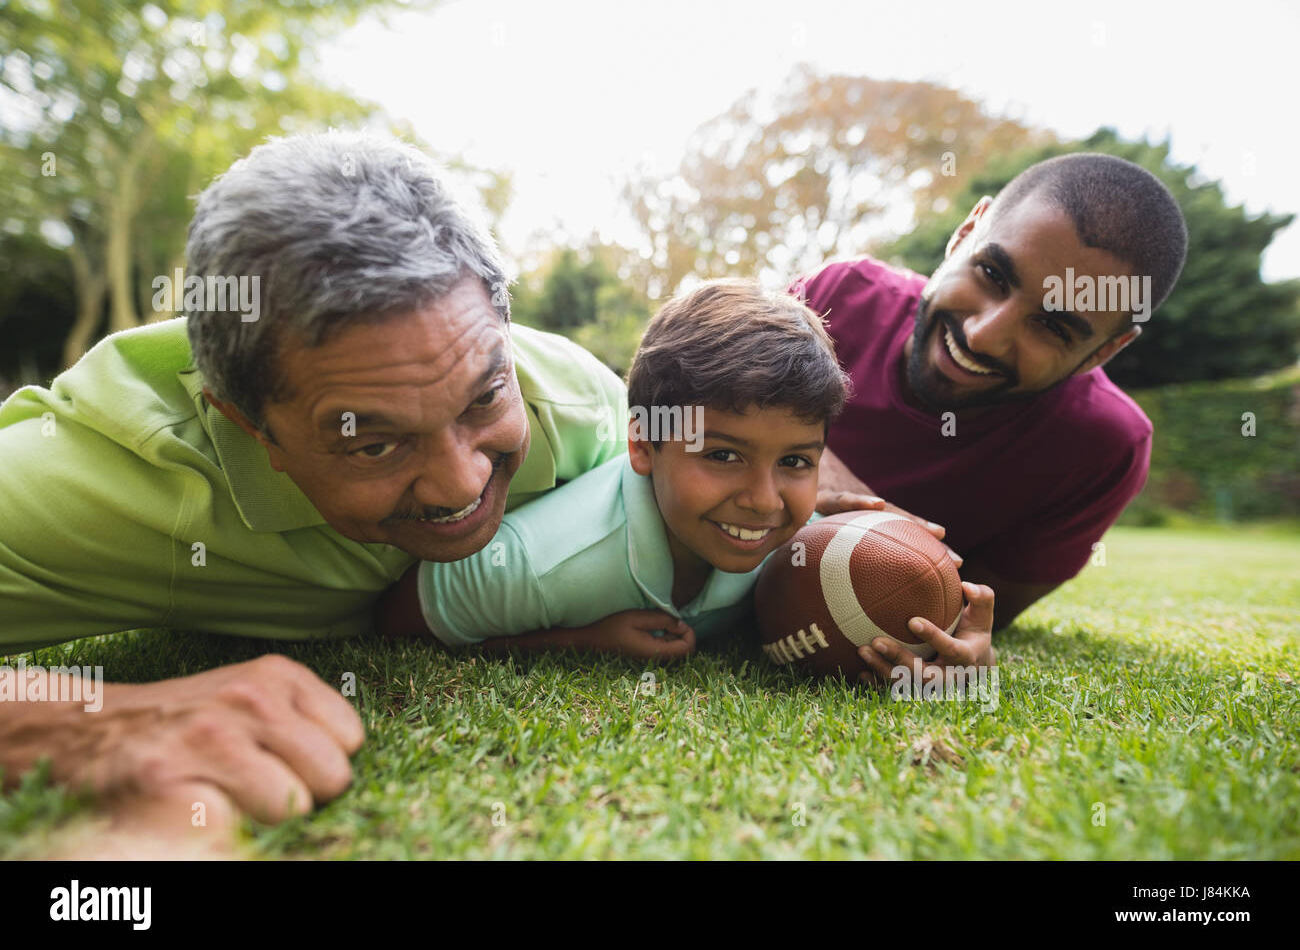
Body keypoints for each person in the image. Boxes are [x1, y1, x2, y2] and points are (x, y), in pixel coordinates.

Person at [0, 132, 629, 828]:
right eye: (374, 445)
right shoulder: (94, 475)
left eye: (483, 400)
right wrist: (91, 723)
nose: (460, 485)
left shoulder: (583, 414)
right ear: (246, 426)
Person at [375, 279, 998, 665]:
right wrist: (576, 641)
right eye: (723, 455)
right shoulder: (540, 564)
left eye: (795, 461)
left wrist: (943, 633)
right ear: (643, 445)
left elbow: (890, 609)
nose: (762, 501)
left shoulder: (807, 541)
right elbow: (396, 623)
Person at [792, 153, 1188, 684]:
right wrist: (808, 465)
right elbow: (683, 416)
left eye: (1052, 326)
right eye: (993, 274)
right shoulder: (838, 298)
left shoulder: (1104, 446)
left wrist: (953, 642)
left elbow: (969, 615)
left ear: (1104, 352)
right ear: (965, 233)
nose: (983, 334)